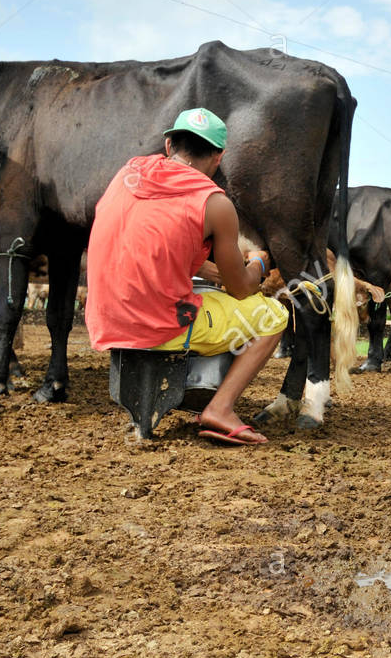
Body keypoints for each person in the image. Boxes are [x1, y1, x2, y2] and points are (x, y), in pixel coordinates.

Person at [86, 108, 288, 445]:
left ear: (169, 145)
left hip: (105, 318)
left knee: (202, 291)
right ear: (219, 157)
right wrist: (258, 264)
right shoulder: (214, 203)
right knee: (274, 315)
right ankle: (220, 408)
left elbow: (155, 248)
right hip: (157, 326)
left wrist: (212, 272)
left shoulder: (128, 172)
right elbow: (241, 289)